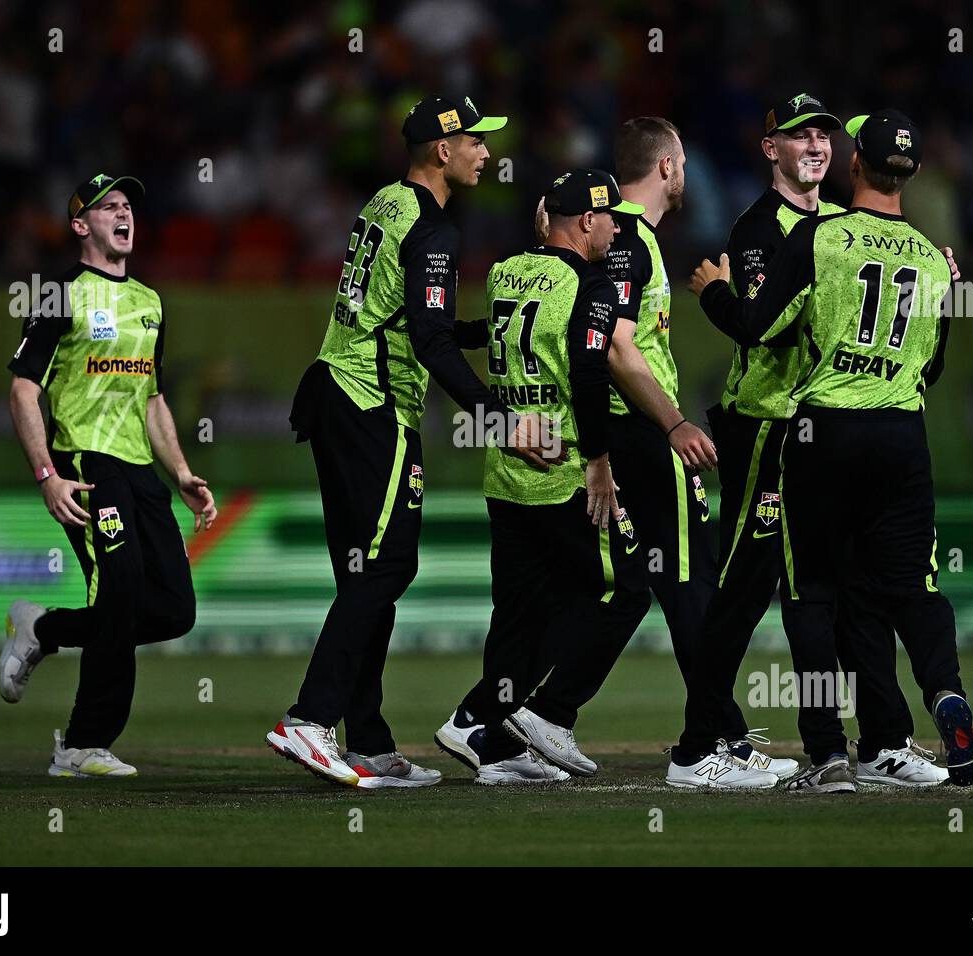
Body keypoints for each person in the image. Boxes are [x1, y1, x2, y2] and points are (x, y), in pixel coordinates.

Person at [690, 109, 973, 791]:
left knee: (810, 592)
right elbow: (932, 370)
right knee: (909, 585)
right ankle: (934, 700)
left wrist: (712, 293)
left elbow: (756, 327)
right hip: (903, 439)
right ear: (910, 174)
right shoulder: (934, 260)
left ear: (854, 165)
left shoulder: (821, 238)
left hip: (825, 433)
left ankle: (828, 751)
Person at [265, 95, 555, 789]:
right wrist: (500, 417)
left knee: (364, 573)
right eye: (475, 141)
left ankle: (366, 738)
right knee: (386, 570)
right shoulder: (434, 228)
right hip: (376, 404)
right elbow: (425, 341)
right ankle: (310, 720)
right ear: (440, 150)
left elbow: (406, 315)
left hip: (334, 387)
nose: (487, 152)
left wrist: (483, 329)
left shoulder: (385, 202)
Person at [499, 118, 725, 779]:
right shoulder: (631, 240)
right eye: (681, 161)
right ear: (666, 168)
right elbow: (620, 347)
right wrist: (675, 423)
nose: (684, 173)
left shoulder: (612, 233)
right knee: (684, 584)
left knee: (626, 587)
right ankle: (711, 743)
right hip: (639, 432)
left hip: (606, 438)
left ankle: (523, 718)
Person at [435, 169, 652, 784]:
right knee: (627, 584)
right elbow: (588, 373)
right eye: (611, 217)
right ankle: (534, 714)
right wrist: (600, 464)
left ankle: (485, 729)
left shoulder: (507, 271)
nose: (617, 228)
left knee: (520, 611)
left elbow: (481, 333)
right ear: (586, 222)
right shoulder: (595, 283)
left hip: (505, 472)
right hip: (559, 469)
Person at [0, 173, 217, 778]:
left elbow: (152, 398)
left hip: (141, 470)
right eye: (108, 207)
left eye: (128, 207)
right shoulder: (57, 293)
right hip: (85, 461)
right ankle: (79, 746)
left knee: (174, 610)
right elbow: (22, 390)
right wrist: (47, 475)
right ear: (80, 225)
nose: (124, 215)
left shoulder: (150, 301)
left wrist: (181, 471)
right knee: (119, 591)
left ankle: (43, 627)